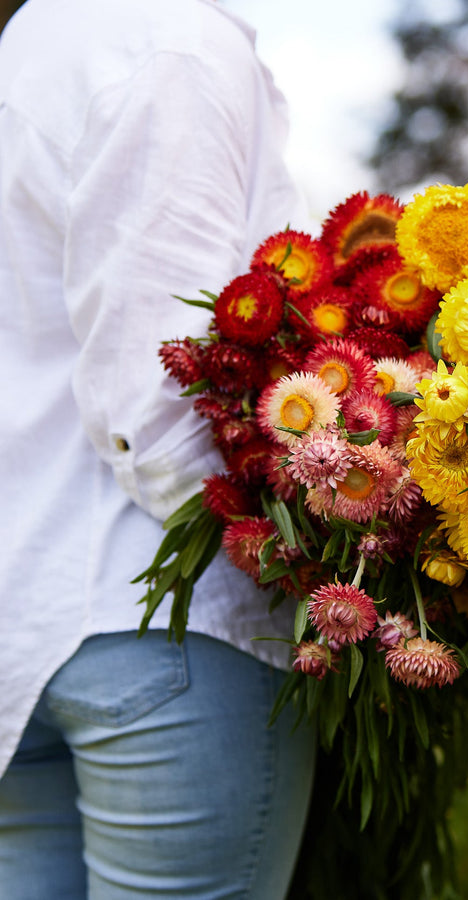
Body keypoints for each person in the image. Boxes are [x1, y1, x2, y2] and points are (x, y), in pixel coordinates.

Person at [0, 0, 315, 896]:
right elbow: (158, 395)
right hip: (166, 624)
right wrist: (327, 577)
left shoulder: (31, 42)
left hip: (28, 611)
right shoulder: (165, 38)